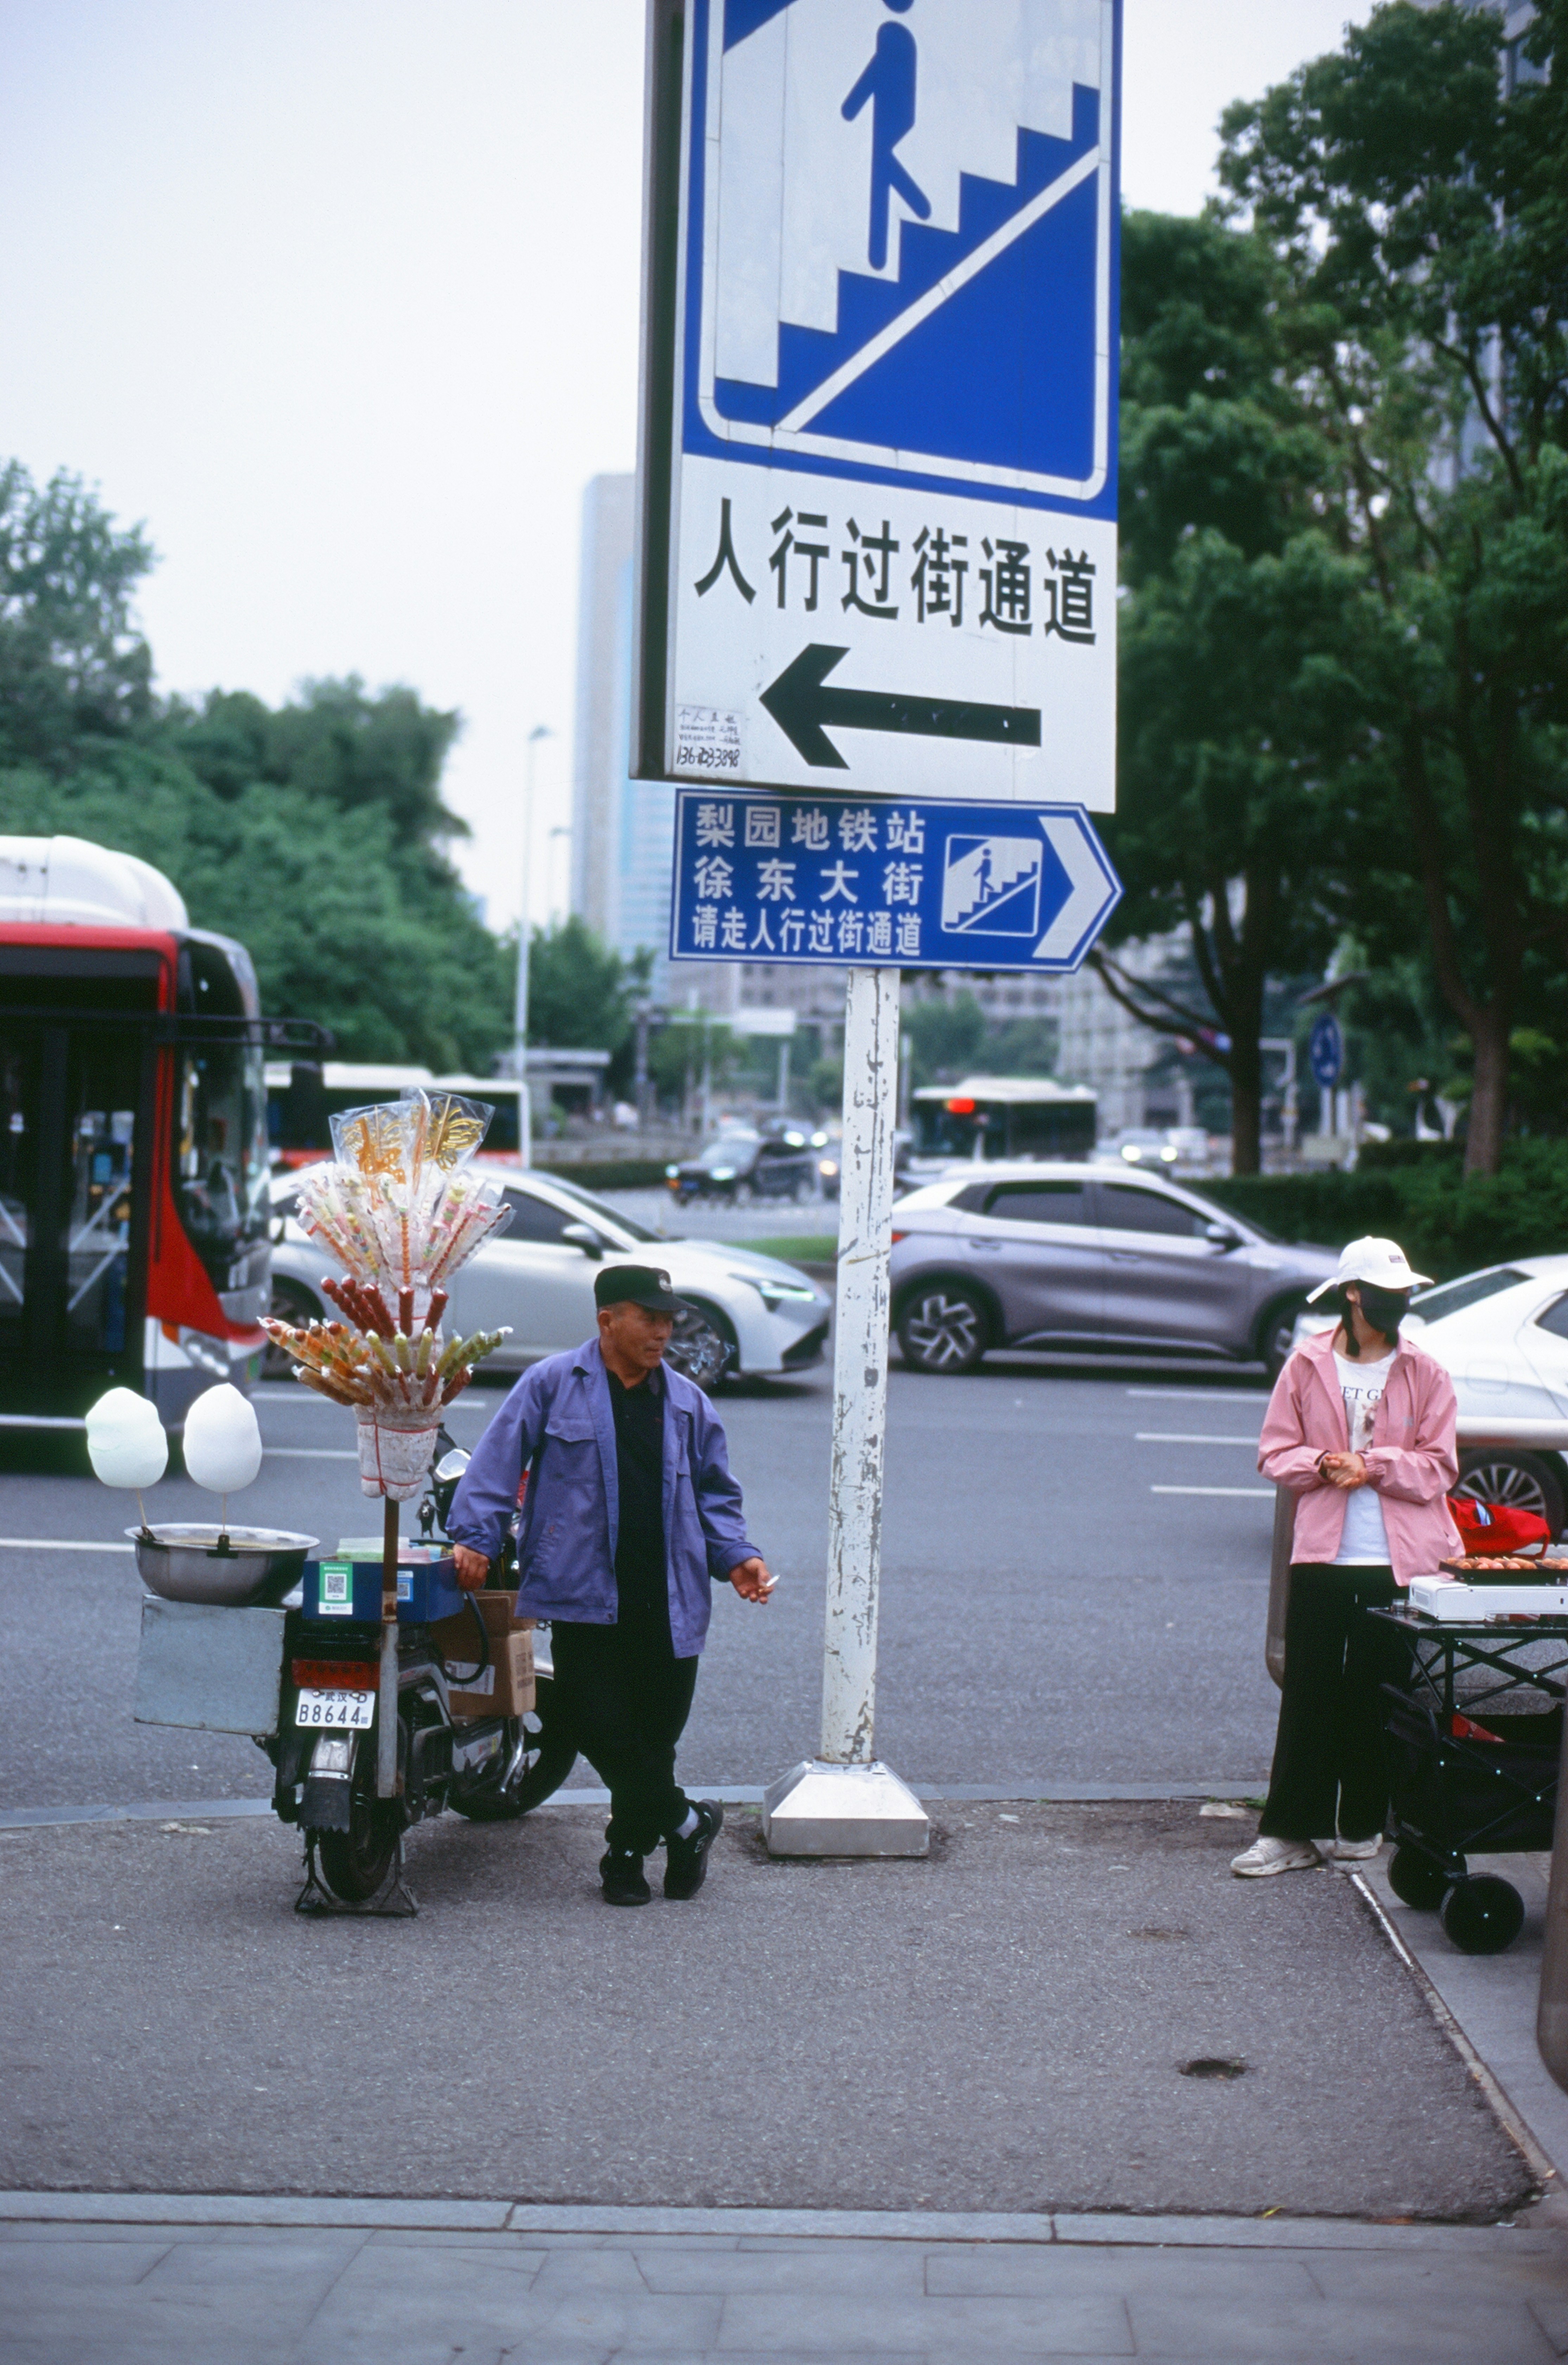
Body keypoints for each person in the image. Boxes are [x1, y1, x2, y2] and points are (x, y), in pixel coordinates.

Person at [445, 1263, 773, 1906]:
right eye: (649, 1317)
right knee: (595, 1720)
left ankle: (627, 1854)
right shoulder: (551, 1384)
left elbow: (716, 1495)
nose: (663, 1331)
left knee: (654, 1737)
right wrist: (476, 1538)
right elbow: (496, 1460)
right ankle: (687, 1823)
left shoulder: (688, 1403)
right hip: (582, 1593)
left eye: (668, 1319)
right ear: (607, 1321)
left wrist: (738, 1557)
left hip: (671, 1596)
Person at [1232, 1236, 1460, 1879]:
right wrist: (1324, 1463)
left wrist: (1375, 1464)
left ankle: (1361, 1823)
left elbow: (1440, 1467)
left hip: (1398, 1559)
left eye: (1406, 1292)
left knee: (1377, 1692)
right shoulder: (1307, 1364)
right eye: (1389, 1293)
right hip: (1323, 1555)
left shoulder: (1426, 1371)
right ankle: (1288, 1832)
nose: (1401, 1303)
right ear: (1353, 1293)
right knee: (1308, 1690)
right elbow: (1275, 1453)